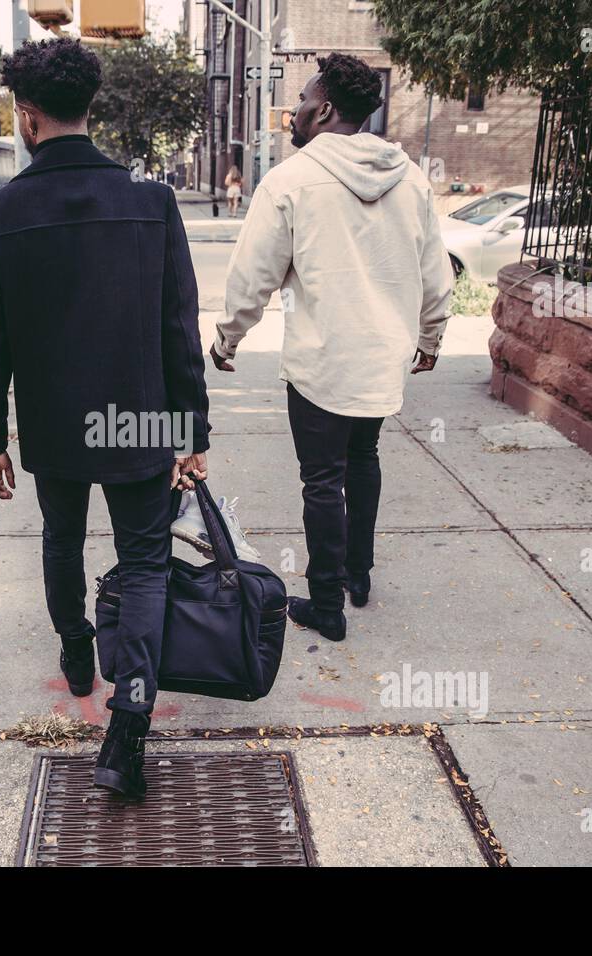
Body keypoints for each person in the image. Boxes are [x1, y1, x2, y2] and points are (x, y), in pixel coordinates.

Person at [0, 38, 210, 799]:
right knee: (142, 562)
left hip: (54, 425)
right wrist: (191, 431)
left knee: (61, 539)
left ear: (26, 117)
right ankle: (130, 715)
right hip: (137, 423)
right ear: (90, 106)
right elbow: (179, 325)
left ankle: (76, 649)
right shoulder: (150, 201)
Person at [211, 53, 453, 642]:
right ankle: (357, 575)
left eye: (300, 99)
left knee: (322, 480)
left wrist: (229, 337)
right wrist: (431, 335)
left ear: (322, 110)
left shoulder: (291, 181)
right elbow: (434, 272)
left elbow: (254, 274)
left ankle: (326, 606)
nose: (292, 109)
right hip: (382, 362)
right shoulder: (412, 178)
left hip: (322, 365)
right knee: (363, 460)